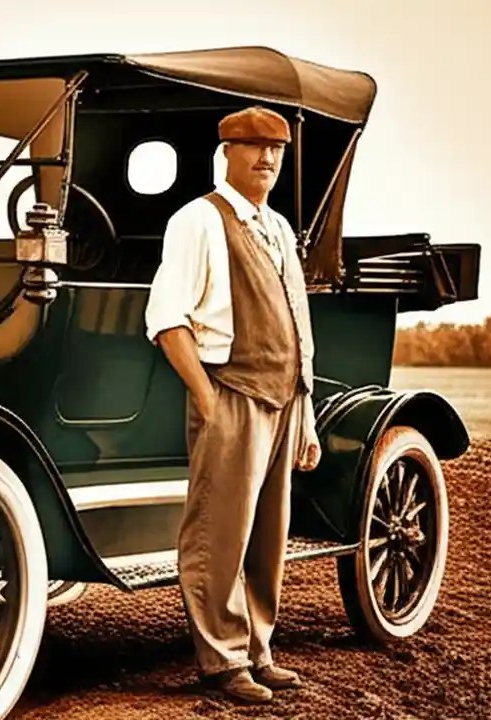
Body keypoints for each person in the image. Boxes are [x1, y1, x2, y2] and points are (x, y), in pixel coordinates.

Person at [144, 105, 322, 704]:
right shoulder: (197, 220)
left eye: (276, 150)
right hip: (233, 394)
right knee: (219, 534)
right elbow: (168, 319)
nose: (267, 159)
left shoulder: (277, 229)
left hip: (284, 401)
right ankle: (221, 661)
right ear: (227, 153)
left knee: (270, 538)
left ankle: (258, 649)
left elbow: (298, 325)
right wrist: (206, 398)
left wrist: (308, 413)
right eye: (254, 147)